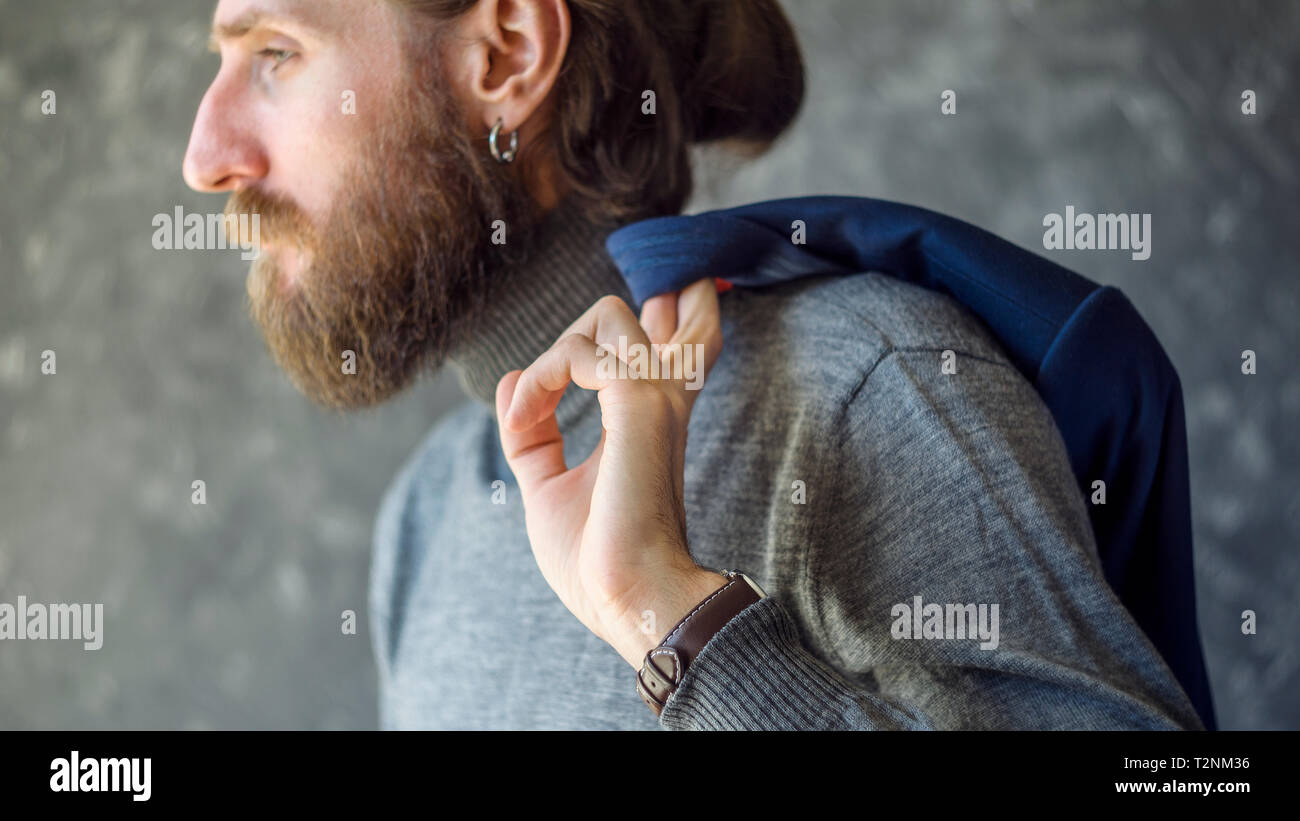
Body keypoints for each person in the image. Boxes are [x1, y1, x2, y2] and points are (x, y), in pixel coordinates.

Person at [184, 0, 1203, 729]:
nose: (204, 153)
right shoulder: (423, 521)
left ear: (505, 54)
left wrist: (676, 618)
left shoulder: (868, 386)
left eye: (276, 52)